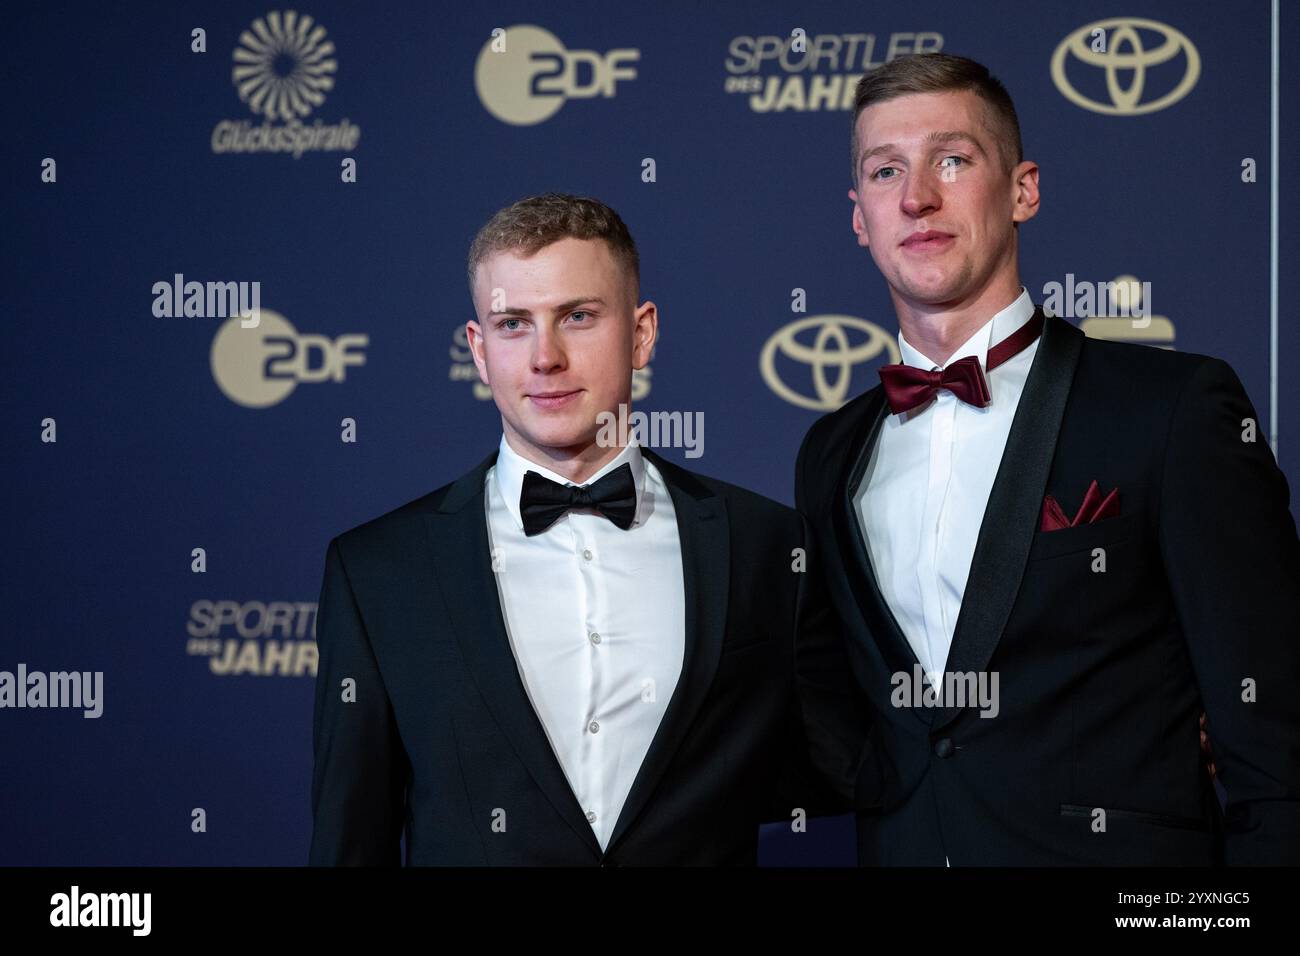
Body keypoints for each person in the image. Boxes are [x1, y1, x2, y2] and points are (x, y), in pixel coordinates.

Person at [795, 53, 1300, 865]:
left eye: (952, 160)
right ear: (860, 217)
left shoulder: (1172, 410)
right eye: (886, 171)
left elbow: (1273, 733)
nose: (917, 196)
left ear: (1023, 189)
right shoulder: (831, 453)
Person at [310, 192, 866, 865]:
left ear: (641, 334)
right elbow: (350, 842)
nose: (545, 357)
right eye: (513, 324)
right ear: (479, 351)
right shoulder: (379, 572)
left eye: (577, 317)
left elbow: (846, 768)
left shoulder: (767, 546)